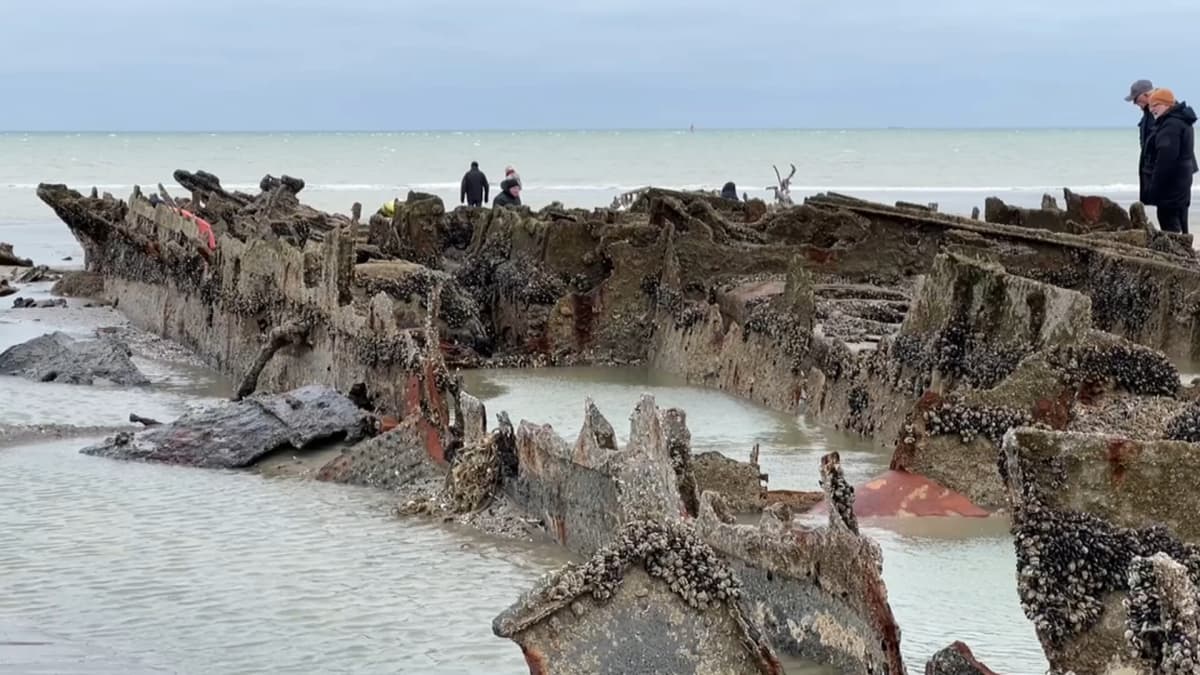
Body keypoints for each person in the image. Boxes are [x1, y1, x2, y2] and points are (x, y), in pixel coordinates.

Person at [1145, 88, 1198, 234]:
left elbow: (1166, 159)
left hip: (1171, 183)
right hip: (1183, 178)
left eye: (1156, 105)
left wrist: (1154, 188)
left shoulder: (1170, 125)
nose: (1152, 109)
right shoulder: (1183, 121)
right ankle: (1186, 251)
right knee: (1181, 218)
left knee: (1168, 220)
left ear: (1167, 104)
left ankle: (1176, 253)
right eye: (1150, 106)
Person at [1126, 79, 1156, 203]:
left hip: (1161, 171)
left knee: (1170, 214)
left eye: (1136, 99)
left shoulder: (1159, 113)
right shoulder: (1147, 114)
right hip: (1150, 170)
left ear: (1146, 95)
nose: (1134, 103)